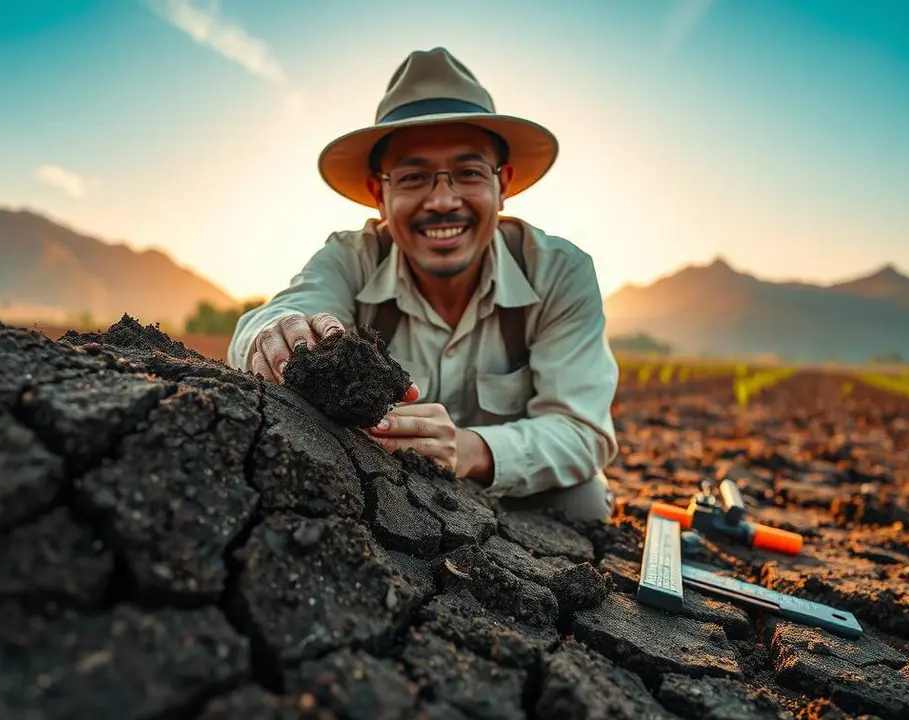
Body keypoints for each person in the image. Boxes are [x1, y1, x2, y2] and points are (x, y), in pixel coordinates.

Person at [228, 47, 619, 521]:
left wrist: (469, 449)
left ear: (503, 185)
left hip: (503, 491)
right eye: (414, 177)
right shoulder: (351, 258)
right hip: (383, 486)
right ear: (380, 194)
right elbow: (283, 312)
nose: (442, 200)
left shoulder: (558, 272)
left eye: (468, 173)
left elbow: (581, 431)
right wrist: (275, 333)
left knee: (586, 503)